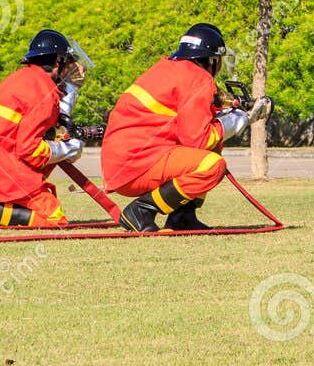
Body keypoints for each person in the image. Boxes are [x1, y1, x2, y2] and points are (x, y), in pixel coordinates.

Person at [101, 23, 271, 232]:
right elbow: (198, 139)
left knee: (210, 151)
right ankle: (141, 210)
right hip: (137, 163)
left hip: (125, 161)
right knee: (212, 165)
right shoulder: (198, 79)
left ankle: (183, 215)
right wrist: (238, 121)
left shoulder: (169, 70)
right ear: (211, 60)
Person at [0, 29, 92, 228]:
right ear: (57, 62)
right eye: (68, 62)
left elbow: (53, 124)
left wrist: (71, 89)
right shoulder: (44, 91)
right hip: (0, 169)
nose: (71, 68)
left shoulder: (25, 79)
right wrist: (70, 148)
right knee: (55, 220)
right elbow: (29, 148)